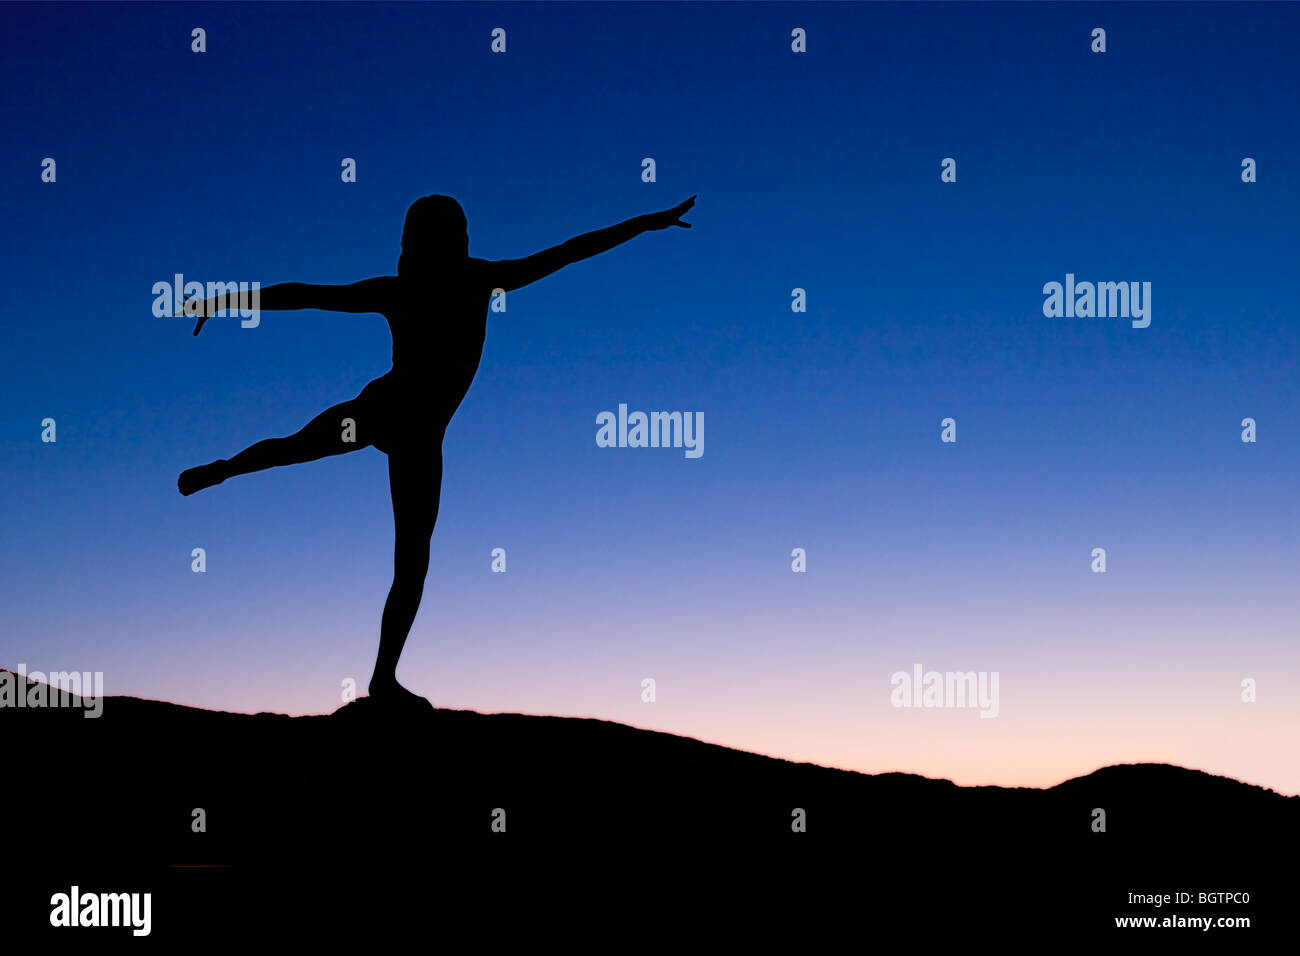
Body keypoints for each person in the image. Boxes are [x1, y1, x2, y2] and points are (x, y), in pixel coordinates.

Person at [177, 193, 696, 707]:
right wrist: (225, 301)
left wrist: (647, 222)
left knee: (405, 555)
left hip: (412, 435)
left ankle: (383, 678)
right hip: (392, 417)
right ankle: (224, 470)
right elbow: (307, 294)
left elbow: (572, 250)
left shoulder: (462, 281)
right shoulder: (446, 284)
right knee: (306, 459)